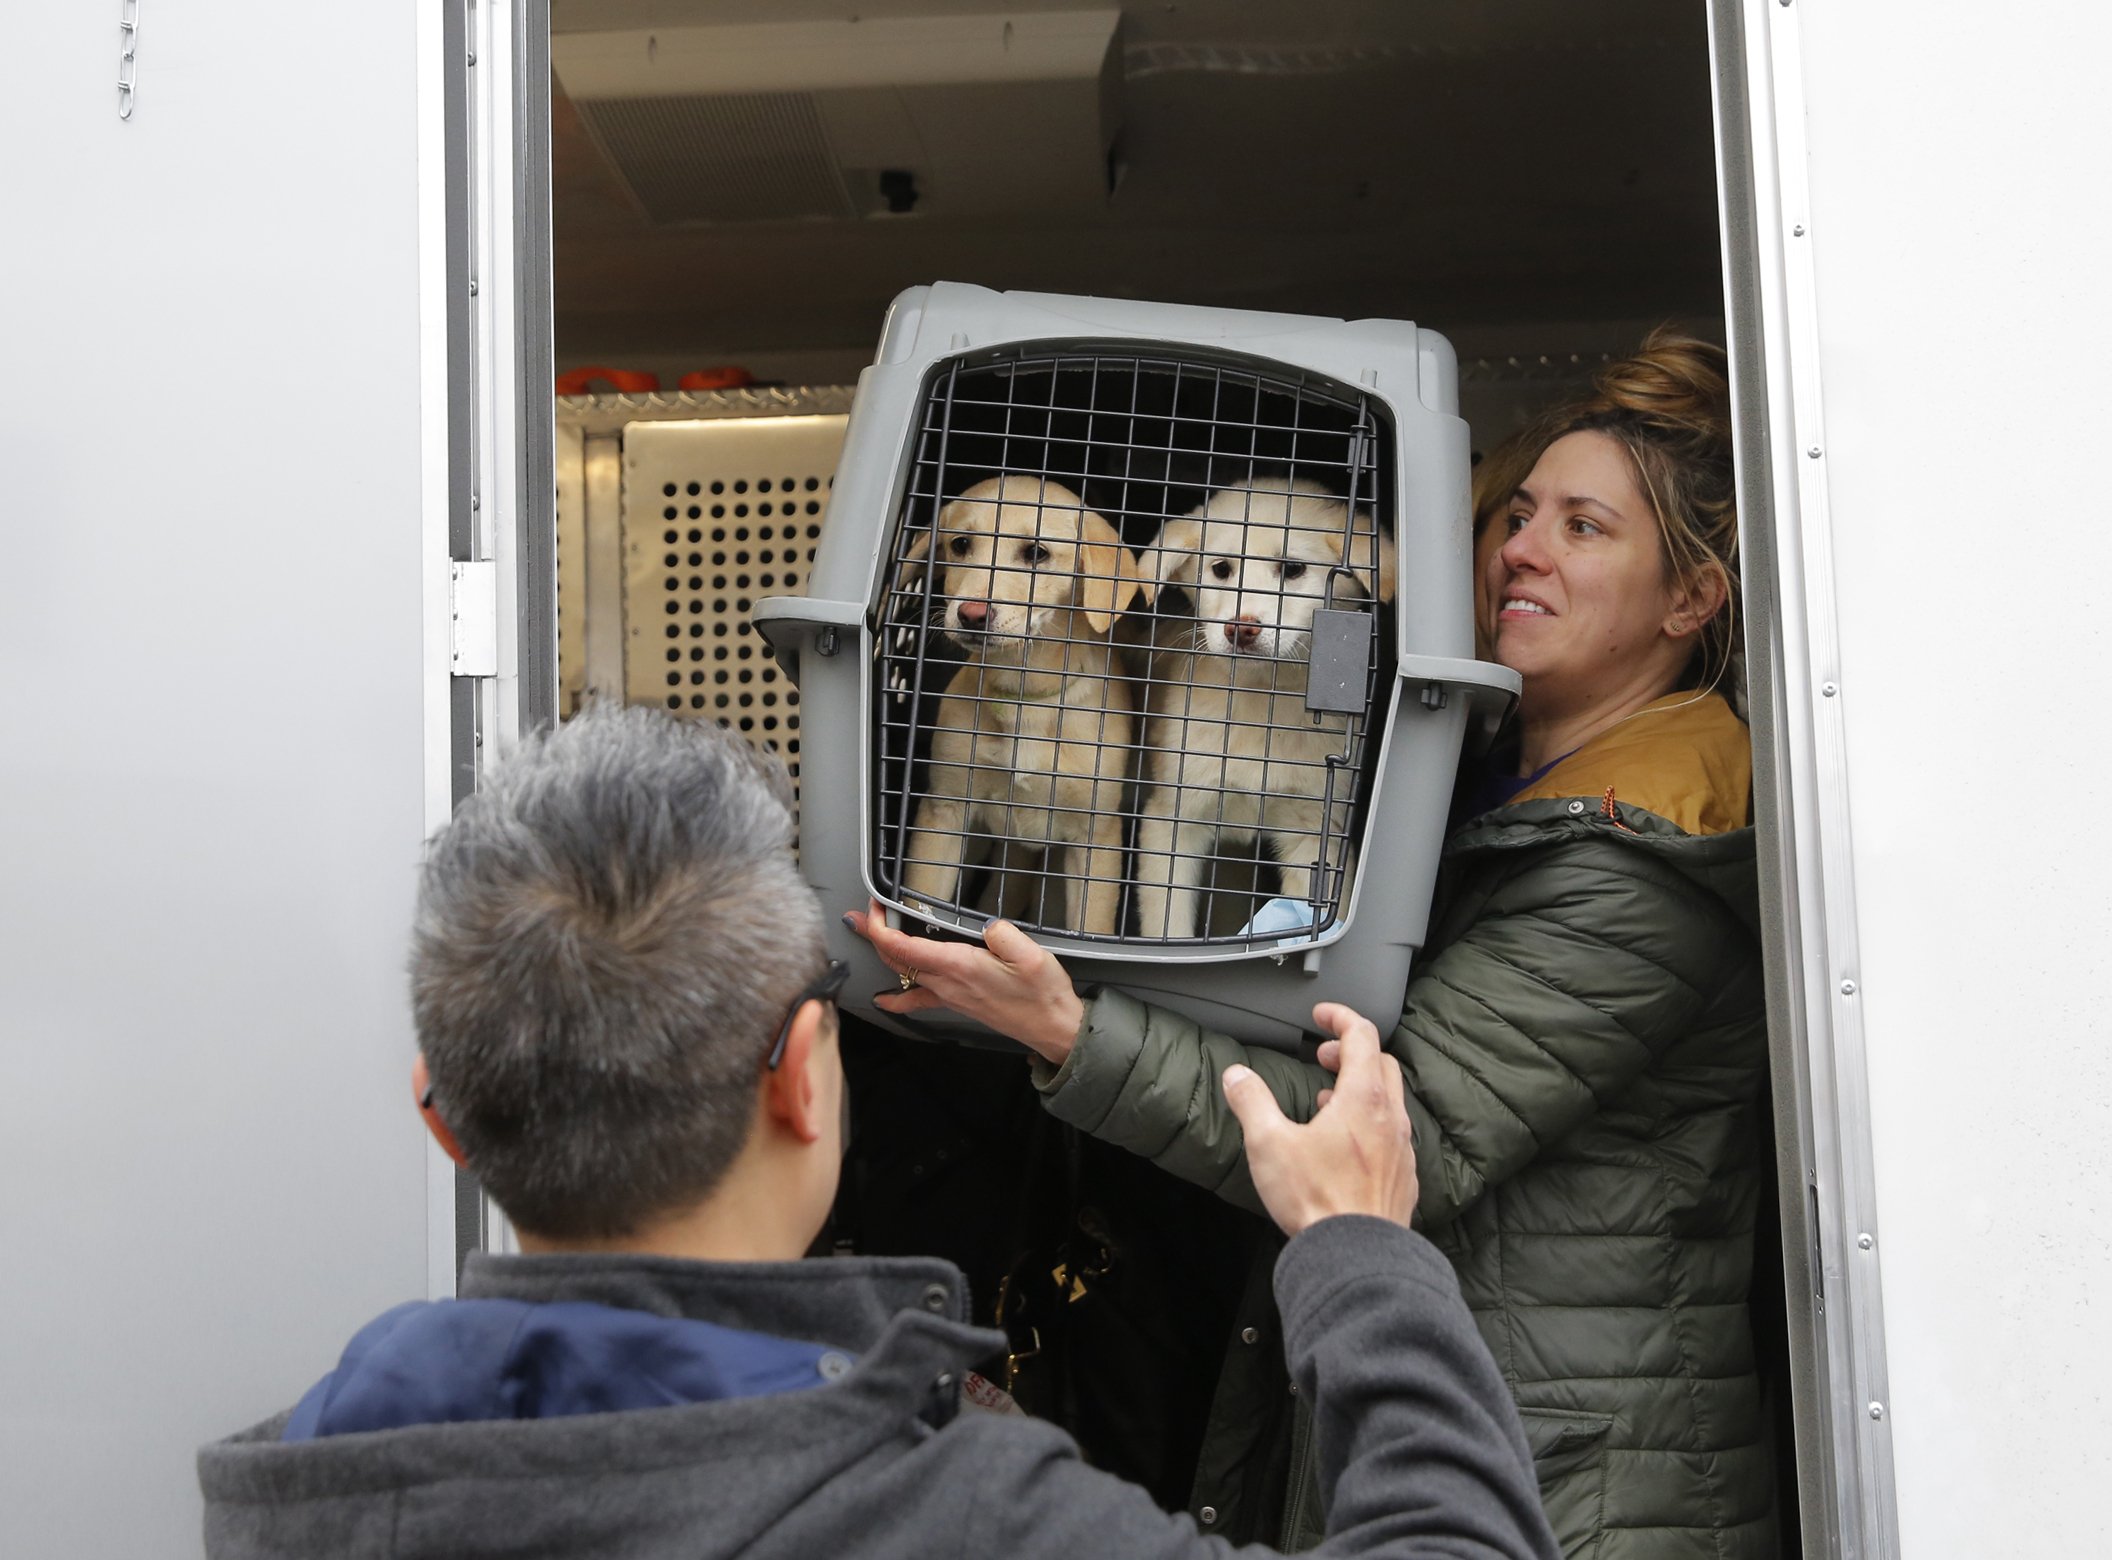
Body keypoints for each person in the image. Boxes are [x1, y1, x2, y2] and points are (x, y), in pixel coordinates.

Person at [195, 705, 1559, 1560]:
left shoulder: (286, 1488)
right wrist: (1360, 1250)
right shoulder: (957, 1514)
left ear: (443, 1118)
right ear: (803, 1073)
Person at [851, 329, 1777, 1558]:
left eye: (1585, 529)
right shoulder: (1498, 777)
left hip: (1571, 1486)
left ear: (1691, 599)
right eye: (1525, 514)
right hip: (1478, 1426)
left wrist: (1074, 1028)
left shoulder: (1641, 853)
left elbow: (1405, 1139)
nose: (1521, 549)